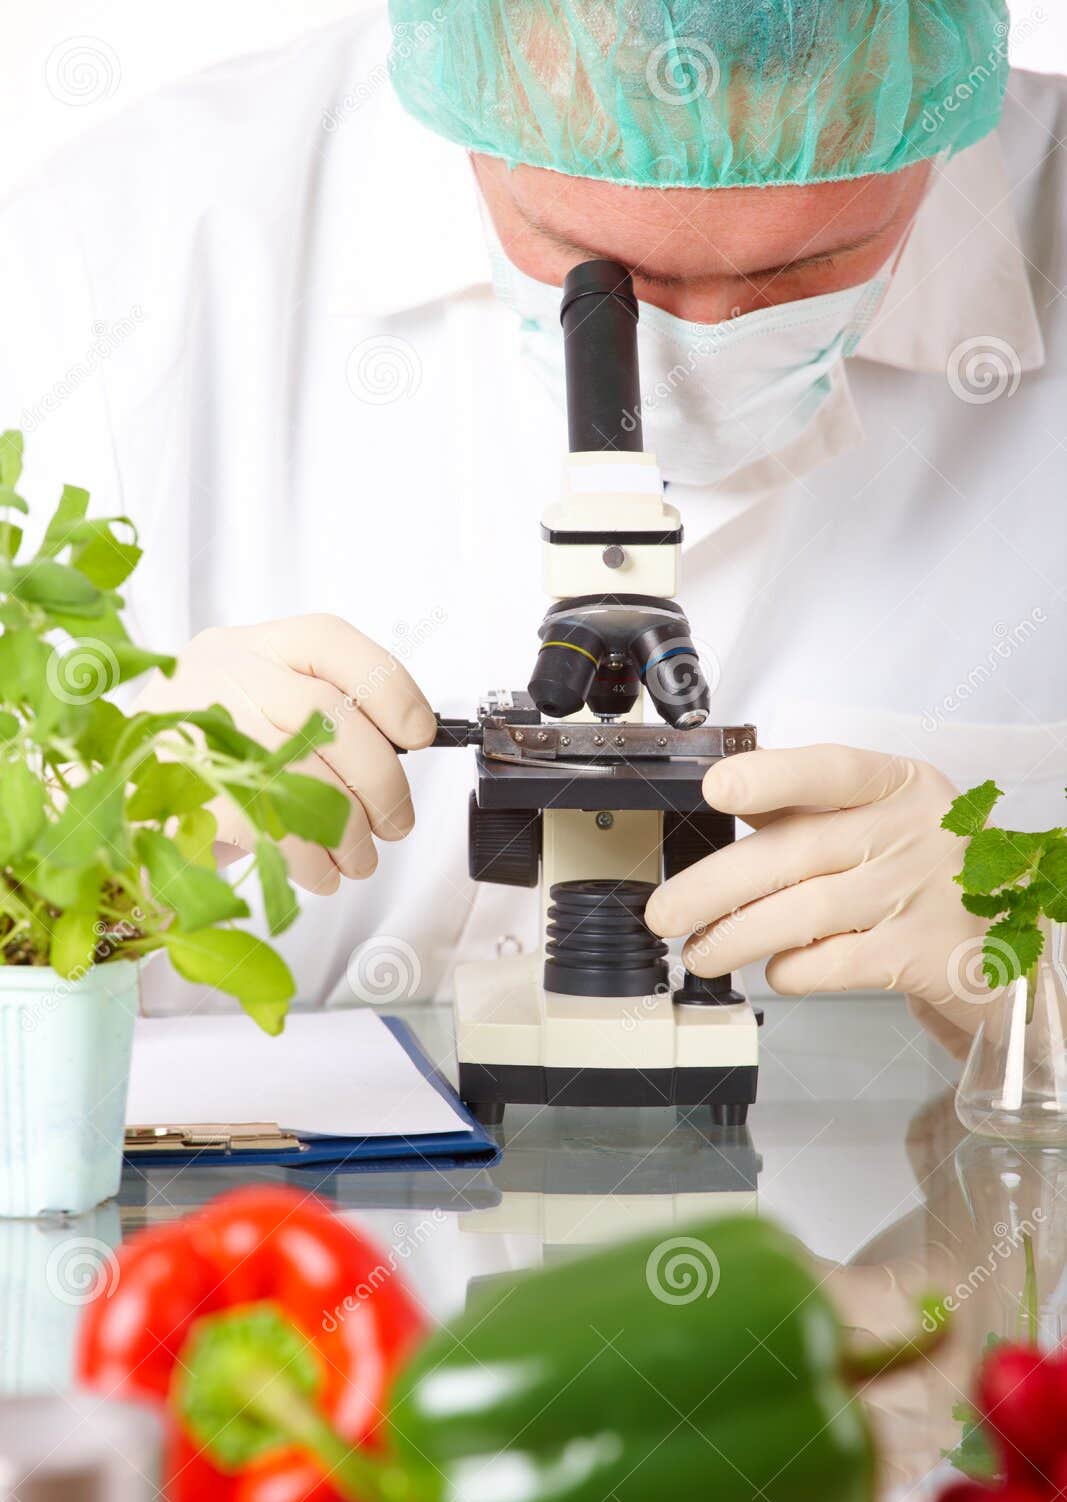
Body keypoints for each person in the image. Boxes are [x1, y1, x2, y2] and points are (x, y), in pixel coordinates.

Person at [0, 2, 1062, 1054]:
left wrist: (1035, 961)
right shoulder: (114, 260)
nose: (689, 349)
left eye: (796, 272)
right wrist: (81, 826)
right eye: (595, 267)